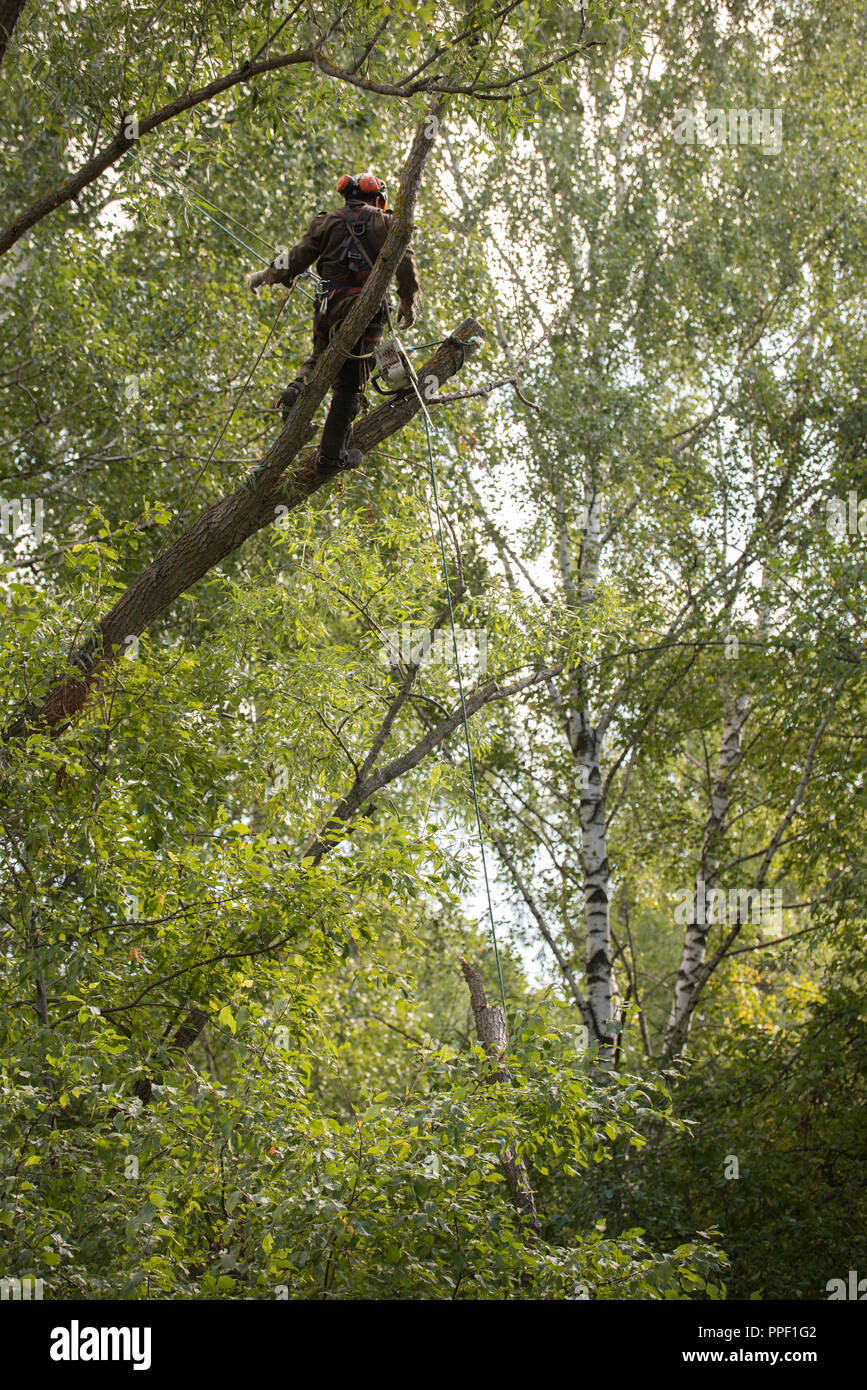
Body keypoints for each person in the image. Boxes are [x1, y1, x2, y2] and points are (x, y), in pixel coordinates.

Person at [247, 172, 420, 469]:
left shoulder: (326, 222)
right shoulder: (387, 222)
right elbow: (405, 261)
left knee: (319, 356)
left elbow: (297, 257)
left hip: (328, 305)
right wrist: (408, 301)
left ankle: (299, 385)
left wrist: (267, 275)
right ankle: (330, 456)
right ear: (379, 199)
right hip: (366, 310)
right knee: (350, 388)